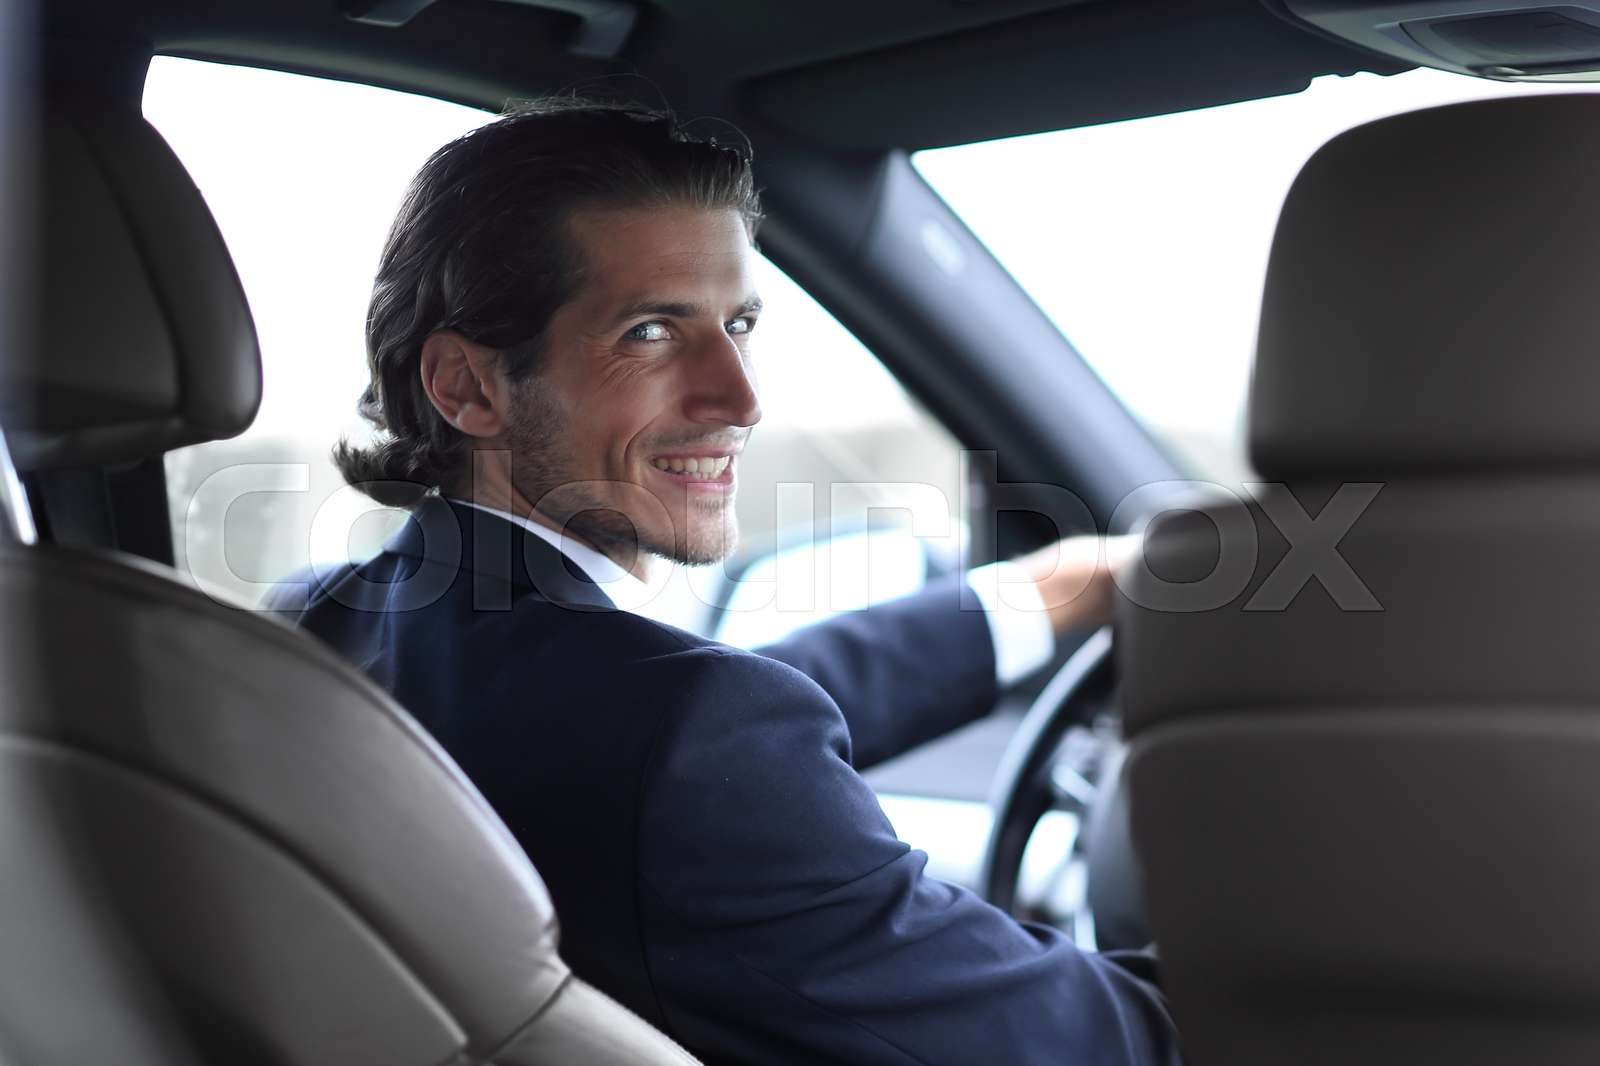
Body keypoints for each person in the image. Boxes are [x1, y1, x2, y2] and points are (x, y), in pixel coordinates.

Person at [277, 96, 1180, 1065]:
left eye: (738, 322)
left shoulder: (316, 628)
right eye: (652, 333)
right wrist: (1307, 951)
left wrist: (1049, 595)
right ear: (466, 386)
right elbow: (1089, 1044)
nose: (740, 398)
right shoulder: (683, 742)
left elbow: (710, 714)